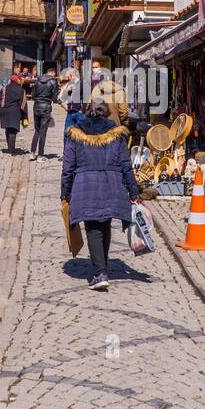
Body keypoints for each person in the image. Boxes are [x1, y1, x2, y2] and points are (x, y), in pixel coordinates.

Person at [60, 98, 140, 290]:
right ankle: (102, 267)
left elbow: (68, 167)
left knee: (93, 227)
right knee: (104, 224)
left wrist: (65, 192)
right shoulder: (116, 135)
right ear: (107, 113)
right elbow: (125, 165)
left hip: (85, 184)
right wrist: (133, 190)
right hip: (111, 185)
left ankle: (100, 273)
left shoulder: (76, 135)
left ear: (87, 112)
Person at [29, 66, 59, 160]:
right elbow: (54, 98)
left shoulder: (37, 80)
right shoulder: (53, 81)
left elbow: (33, 95)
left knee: (37, 130)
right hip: (46, 107)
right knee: (43, 131)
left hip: (36, 106)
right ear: (52, 73)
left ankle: (32, 152)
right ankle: (40, 155)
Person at [0, 72, 27, 154]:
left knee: (7, 129)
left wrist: (0, 110)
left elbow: (0, 100)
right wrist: (25, 116)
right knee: (13, 131)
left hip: (5, 111)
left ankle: (10, 147)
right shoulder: (21, 90)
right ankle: (11, 150)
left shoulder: (4, 88)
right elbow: (23, 104)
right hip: (15, 112)